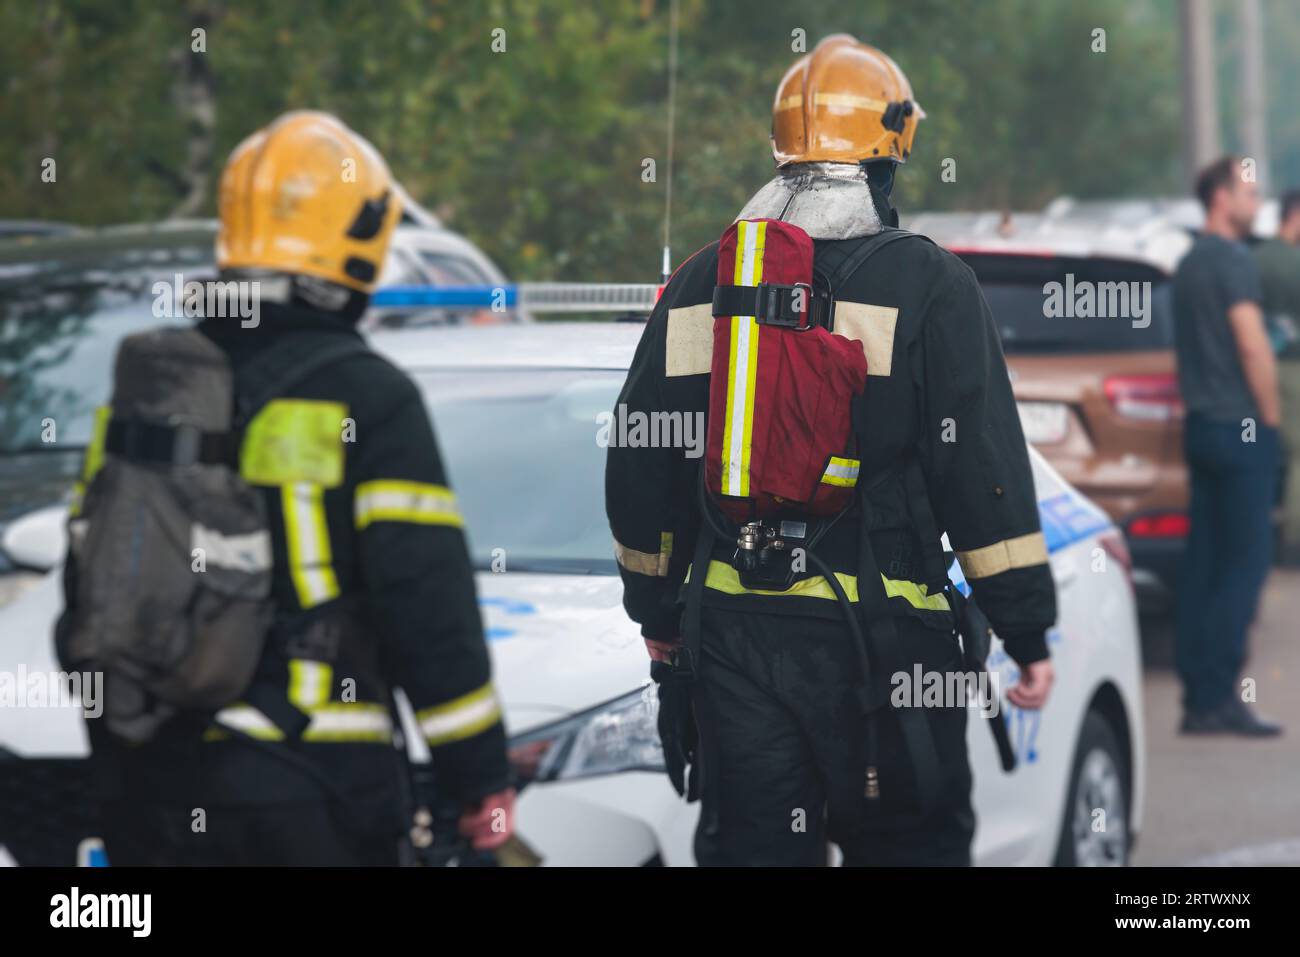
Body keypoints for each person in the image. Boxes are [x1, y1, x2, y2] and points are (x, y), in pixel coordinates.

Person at [605, 35, 1056, 866]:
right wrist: (1027, 629)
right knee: (909, 845)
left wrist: (658, 614)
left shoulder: (705, 280)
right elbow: (983, 475)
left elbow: (641, 459)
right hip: (886, 642)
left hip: (734, 638)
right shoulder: (931, 285)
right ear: (887, 159)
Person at [59, 111, 514, 864]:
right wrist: (481, 776)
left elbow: (89, 577)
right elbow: (427, 606)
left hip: (149, 784)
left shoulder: (146, 388)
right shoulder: (370, 397)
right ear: (360, 240)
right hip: (310, 788)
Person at [1172, 155, 1282, 737]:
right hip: (1241, 431)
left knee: (1204, 564)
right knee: (1244, 566)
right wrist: (1270, 423)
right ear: (1220, 197)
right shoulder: (1234, 263)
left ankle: (1197, 697)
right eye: (1249, 191)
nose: (1258, 200)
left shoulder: (1188, 263)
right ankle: (1221, 698)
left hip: (1201, 429)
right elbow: (1252, 347)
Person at [1253, 189, 1300, 564]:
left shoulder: (1255, 258)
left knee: (1267, 449)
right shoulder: (1295, 262)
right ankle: (1293, 541)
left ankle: (1261, 532)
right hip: (1293, 367)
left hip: (1256, 365)